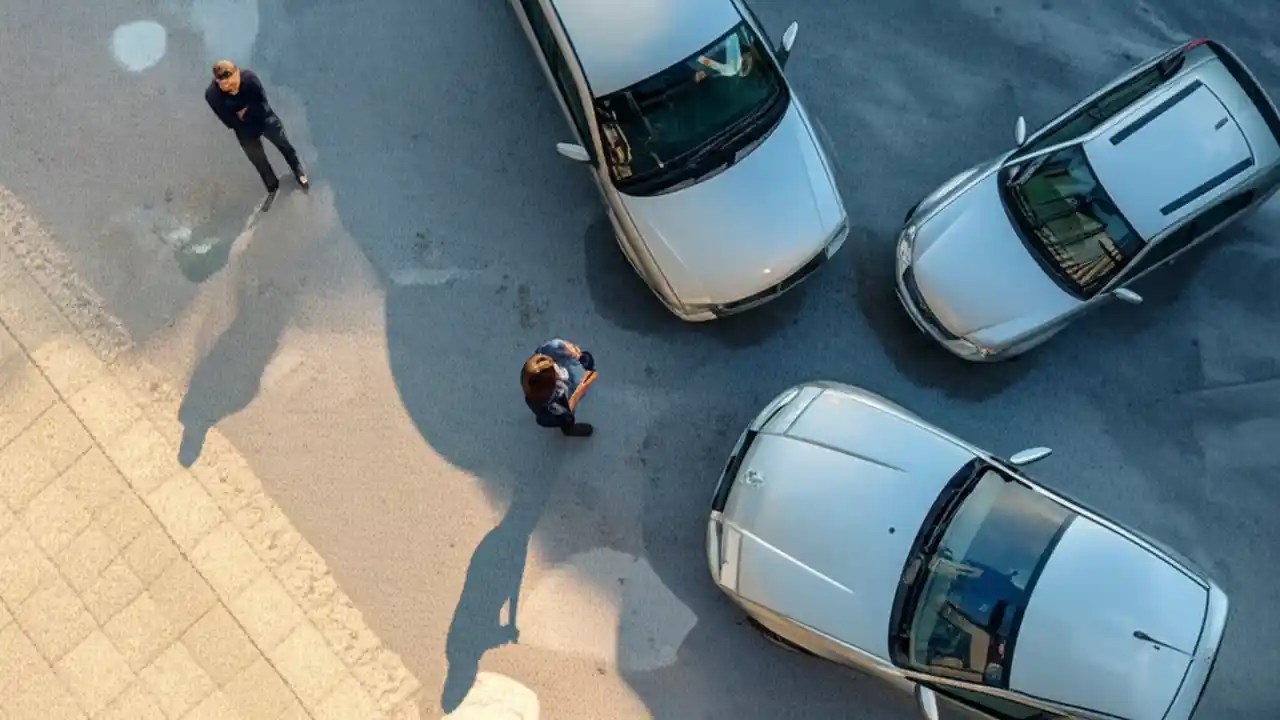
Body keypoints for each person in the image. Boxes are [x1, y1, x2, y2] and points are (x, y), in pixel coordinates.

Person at [204, 60, 308, 211]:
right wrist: (243, 114)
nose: (230, 88)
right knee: (258, 160)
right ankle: (272, 186)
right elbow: (228, 120)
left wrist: (244, 112)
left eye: (233, 83)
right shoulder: (212, 94)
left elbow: (262, 104)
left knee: (283, 144)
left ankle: (298, 170)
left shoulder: (250, 80)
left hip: (264, 118)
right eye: (224, 86)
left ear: (237, 73)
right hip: (243, 129)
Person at [521, 338, 597, 437]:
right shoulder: (556, 400)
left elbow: (546, 349)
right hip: (554, 414)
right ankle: (569, 430)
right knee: (565, 419)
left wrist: (564, 346)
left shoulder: (529, 381)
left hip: (538, 404)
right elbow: (568, 408)